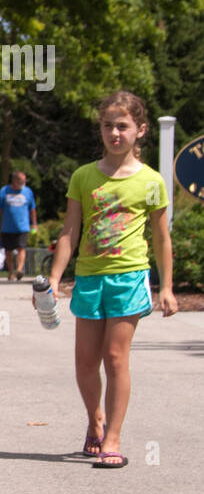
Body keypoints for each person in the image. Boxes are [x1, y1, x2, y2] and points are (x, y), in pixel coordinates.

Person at [44, 90, 176, 468]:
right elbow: (70, 230)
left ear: (141, 130)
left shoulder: (151, 181)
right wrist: (55, 277)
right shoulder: (84, 176)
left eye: (123, 126)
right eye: (108, 126)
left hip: (129, 277)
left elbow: (162, 237)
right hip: (89, 278)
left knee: (115, 358)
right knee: (85, 362)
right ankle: (95, 420)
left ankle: (113, 438)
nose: (115, 133)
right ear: (100, 129)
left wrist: (165, 287)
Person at [0, 170, 37, 280]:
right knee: (8, 251)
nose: (24, 182)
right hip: (7, 227)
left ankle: (20, 270)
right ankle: (11, 272)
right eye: (22, 180)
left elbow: (33, 209)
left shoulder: (28, 191)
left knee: (22, 248)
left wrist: (34, 224)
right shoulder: (4, 191)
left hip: (23, 226)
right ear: (15, 180)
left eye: (24, 180)